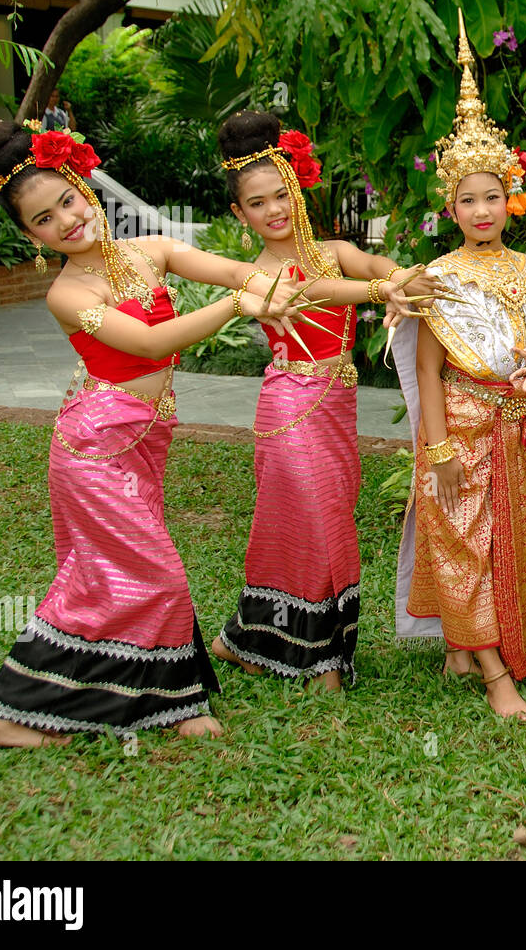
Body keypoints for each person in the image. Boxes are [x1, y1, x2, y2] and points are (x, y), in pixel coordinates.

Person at [0, 119, 303, 746]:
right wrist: (238, 305)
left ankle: (175, 706)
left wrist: (259, 283)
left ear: (82, 185)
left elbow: (229, 271)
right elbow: (148, 343)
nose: (66, 220)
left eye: (66, 199)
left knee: (113, 577)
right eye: (43, 220)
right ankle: (2, 716)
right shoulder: (69, 293)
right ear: (31, 238)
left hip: (144, 442)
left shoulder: (149, 252)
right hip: (94, 451)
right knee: (158, 573)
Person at [209, 111, 436, 691]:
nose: (274, 210)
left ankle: (248, 639)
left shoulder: (334, 248)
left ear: (298, 189)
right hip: (287, 402)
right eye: (257, 203)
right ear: (240, 214)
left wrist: (398, 276)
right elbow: (320, 291)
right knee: (317, 516)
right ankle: (321, 662)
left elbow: (374, 265)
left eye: (281, 194)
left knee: (311, 518)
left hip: (335, 406)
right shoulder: (252, 272)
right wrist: (377, 290)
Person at [396, 13, 526, 720]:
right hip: (458, 420)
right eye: (468, 198)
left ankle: (471, 643)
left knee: (503, 545)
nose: (482, 208)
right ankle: (496, 675)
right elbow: (429, 368)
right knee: (462, 537)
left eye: (493, 195)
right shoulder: (438, 276)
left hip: (514, 426)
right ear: (450, 205)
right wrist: (434, 446)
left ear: (510, 197)